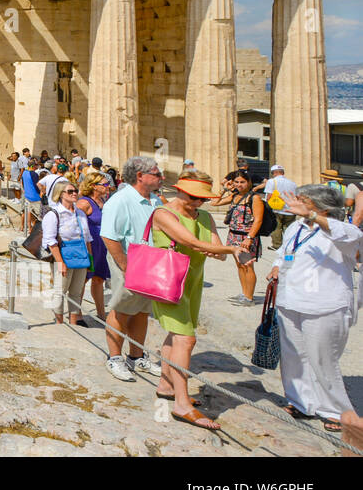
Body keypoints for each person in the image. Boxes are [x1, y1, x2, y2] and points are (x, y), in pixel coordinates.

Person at [149, 173, 247, 431]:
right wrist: (229, 249)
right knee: (186, 338)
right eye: (194, 197)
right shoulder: (163, 214)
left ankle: (166, 385)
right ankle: (182, 404)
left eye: (203, 198)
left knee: (176, 334)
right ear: (180, 191)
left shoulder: (204, 216)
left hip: (193, 280)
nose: (198, 203)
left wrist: (219, 250)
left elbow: (217, 252)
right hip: (169, 280)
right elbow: (191, 242)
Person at [271, 187, 363, 432]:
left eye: (304, 201)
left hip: (325, 304)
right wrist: (277, 266)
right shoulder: (296, 227)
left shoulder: (344, 231)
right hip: (290, 300)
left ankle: (336, 410)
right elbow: (284, 252)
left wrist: (313, 217)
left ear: (322, 208)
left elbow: (347, 235)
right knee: (293, 357)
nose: (297, 204)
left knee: (323, 359)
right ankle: (301, 402)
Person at [98, 156, 166, 382]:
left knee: (141, 311)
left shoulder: (155, 200)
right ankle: (114, 358)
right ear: (140, 176)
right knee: (121, 309)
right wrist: (126, 266)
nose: (161, 177)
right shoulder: (120, 200)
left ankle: (136, 356)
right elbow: (109, 235)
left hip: (150, 263)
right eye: (156, 174)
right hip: (127, 262)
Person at [44, 183, 93, 326]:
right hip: (64, 255)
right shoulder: (53, 214)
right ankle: (59, 325)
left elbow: (88, 238)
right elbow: (50, 241)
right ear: (61, 194)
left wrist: (90, 260)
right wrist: (60, 262)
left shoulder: (80, 213)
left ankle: (73, 323)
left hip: (80, 256)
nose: (74, 193)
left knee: (76, 293)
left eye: (75, 191)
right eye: (70, 191)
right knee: (60, 291)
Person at [216, 169, 265, 305]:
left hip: (246, 237)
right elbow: (215, 203)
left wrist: (249, 238)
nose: (239, 184)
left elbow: (258, 220)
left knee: (248, 266)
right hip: (233, 235)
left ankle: (249, 297)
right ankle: (244, 293)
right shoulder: (234, 196)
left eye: (242, 182)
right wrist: (224, 190)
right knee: (239, 265)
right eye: (236, 182)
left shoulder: (254, 198)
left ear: (249, 182)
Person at [76, 171, 113, 320]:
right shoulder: (84, 203)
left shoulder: (104, 202)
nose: (108, 186)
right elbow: (76, 225)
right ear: (93, 186)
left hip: (103, 247)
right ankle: (76, 314)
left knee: (99, 279)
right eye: (104, 184)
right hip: (90, 247)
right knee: (83, 280)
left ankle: (101, 314)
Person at [258, 163, 299, 248]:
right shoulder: (292, 183)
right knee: (290, 228)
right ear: (282, 172)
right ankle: (290, 245)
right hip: (290, 209)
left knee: (276, 227)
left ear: (274, 173)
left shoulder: (272, 181)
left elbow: (269, 195)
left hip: (276, 208)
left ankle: (277, 245)